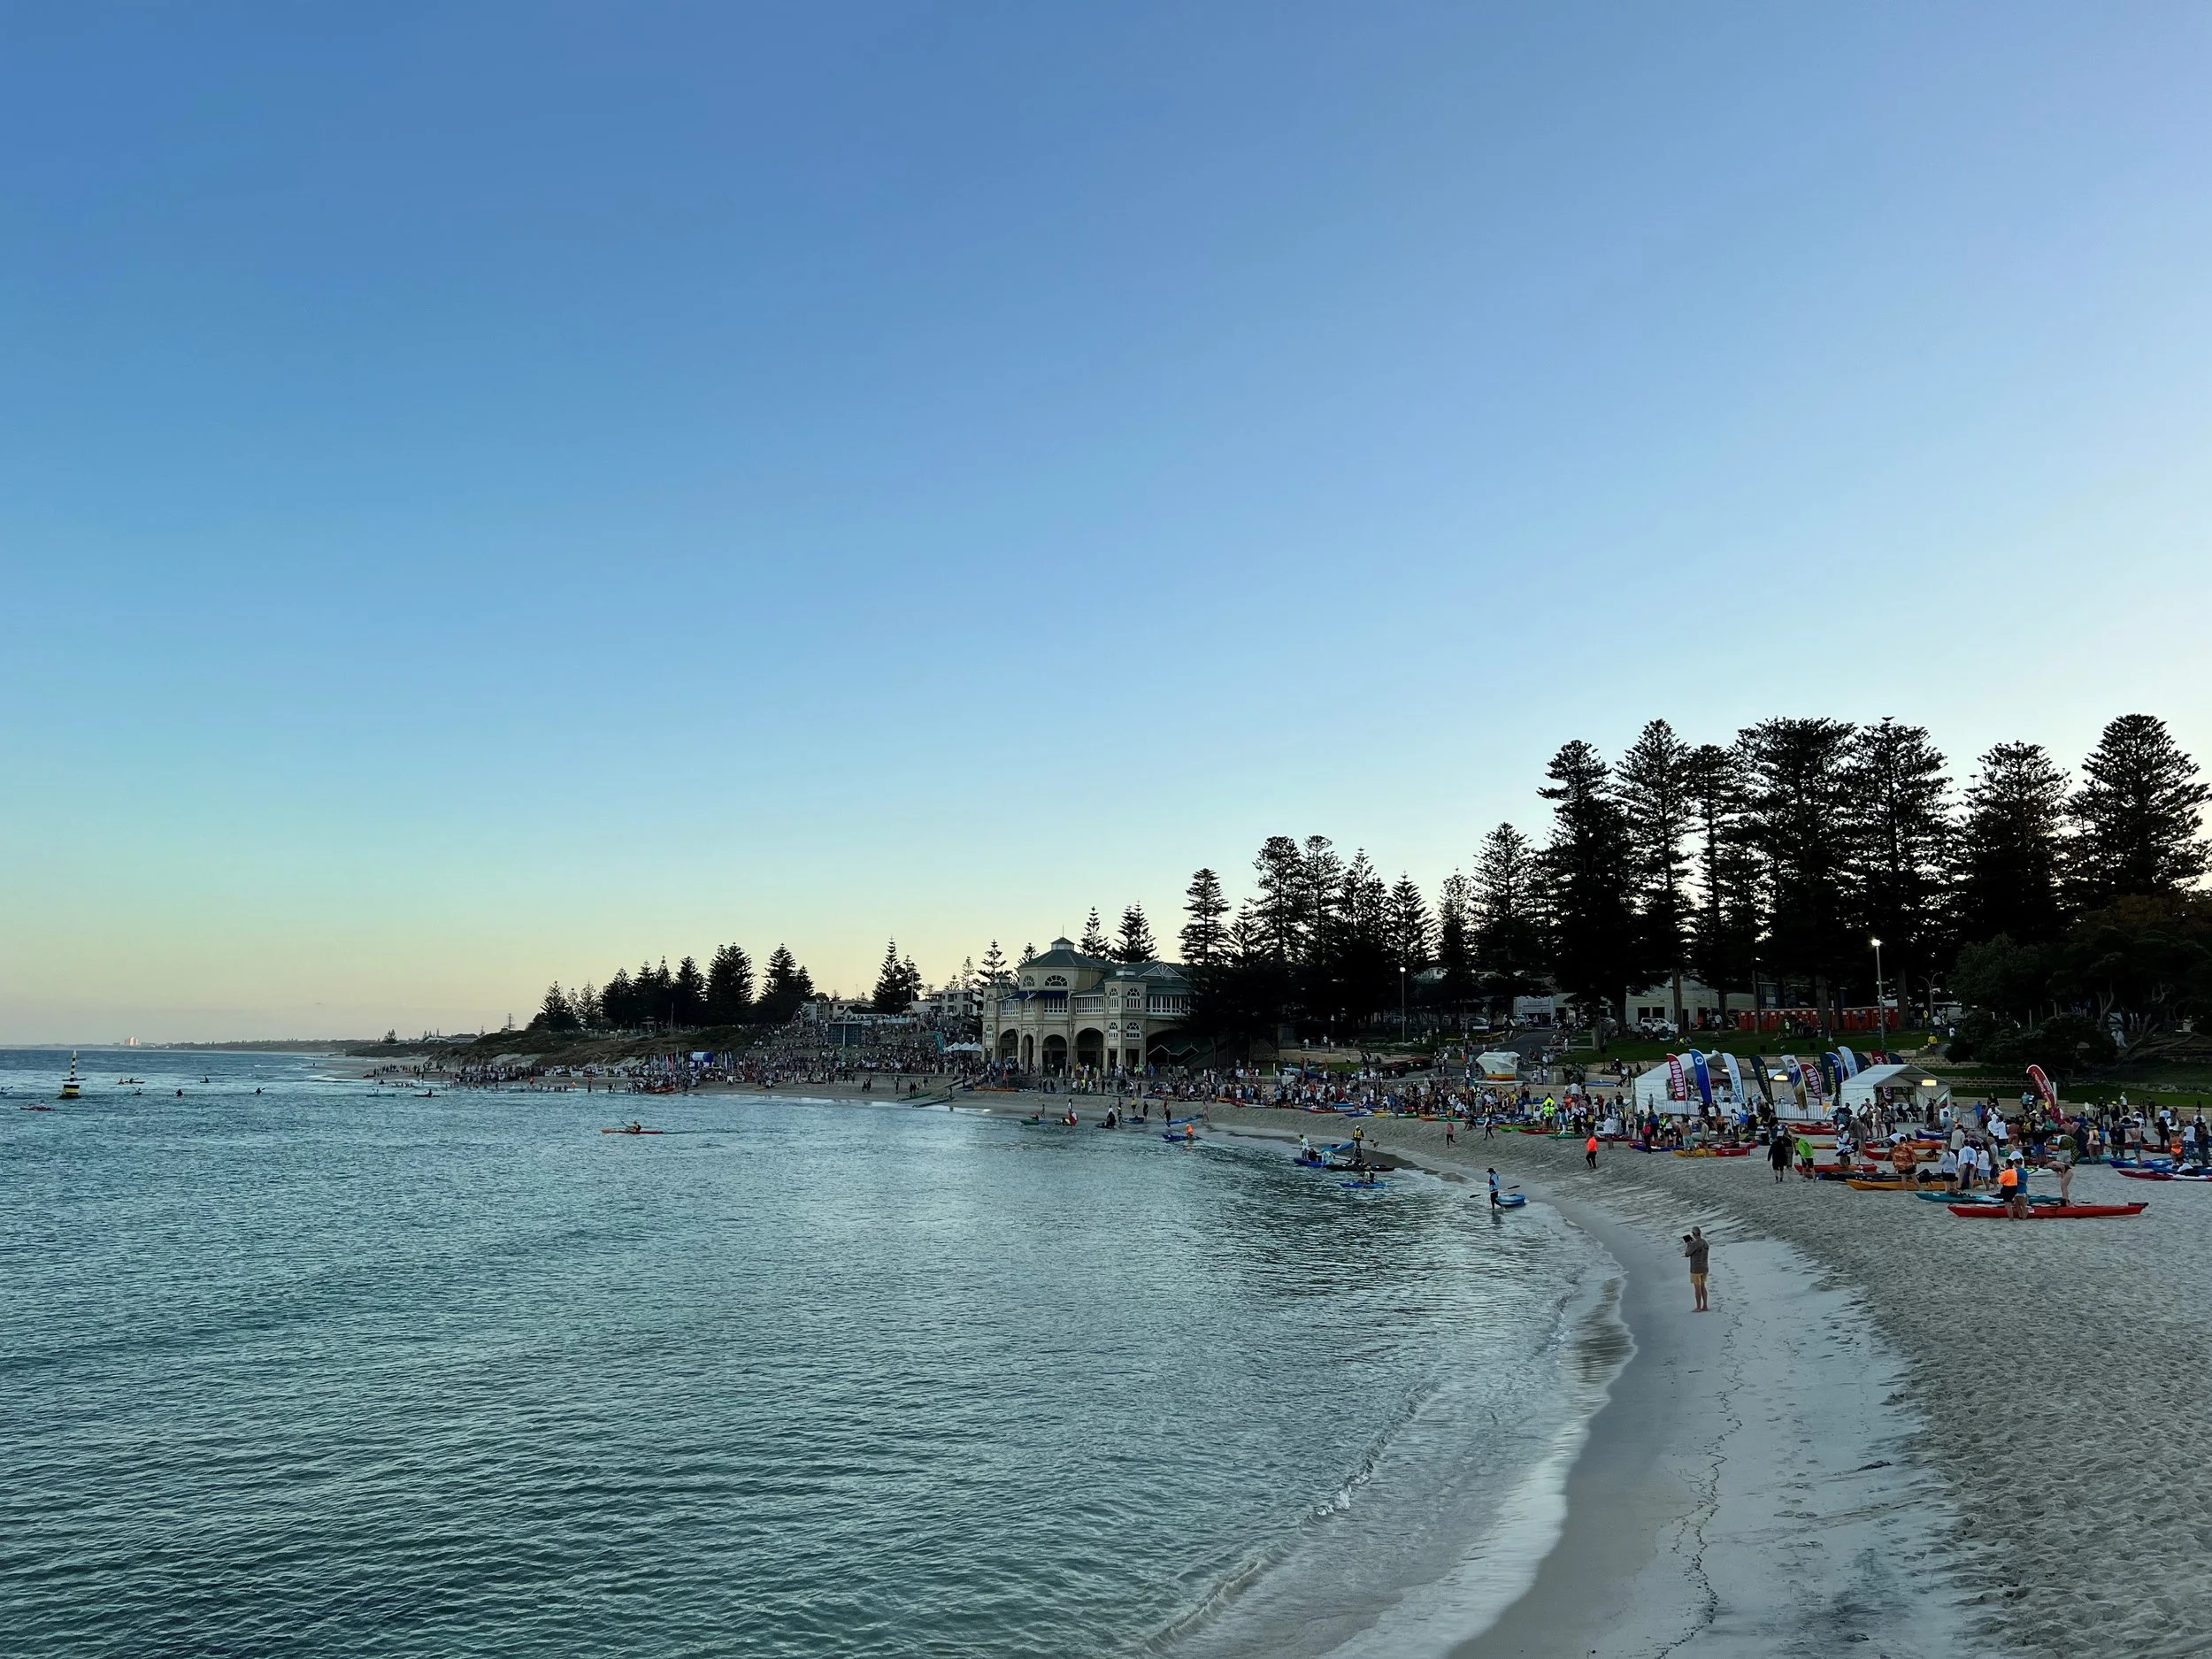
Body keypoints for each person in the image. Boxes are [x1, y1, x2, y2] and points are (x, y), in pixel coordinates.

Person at [1683, 1226, 1710, 1311]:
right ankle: (1705, 1306)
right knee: (1703, 1286)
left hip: (1696, 1268)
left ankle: (1698, 1307)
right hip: (1705, 1267)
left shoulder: (1695, 1244)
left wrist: (1689, 1245)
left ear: (1693, 1234)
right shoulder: (1705, 1242)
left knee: (1697, 1288)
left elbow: (1687, 1254)